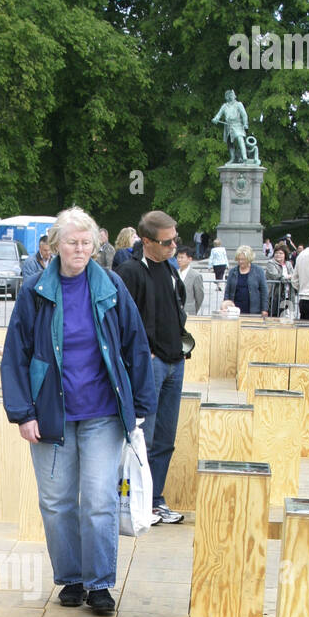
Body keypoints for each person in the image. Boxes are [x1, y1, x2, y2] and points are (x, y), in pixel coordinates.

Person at [1, 206, 155, 614]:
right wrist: (22, 412)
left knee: (99, 499)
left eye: (87, 242)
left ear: (96, 244)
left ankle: (100, 583)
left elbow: (135, 345)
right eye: (72, 242)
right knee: (56, 502)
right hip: (51, 414)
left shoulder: (111, 287)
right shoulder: (34, 291)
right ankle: (71, 577)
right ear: (54, 246)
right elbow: (15, 355)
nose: (80, 249)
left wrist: (140, 404)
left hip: (102, 413)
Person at [116, 209, 187, 525]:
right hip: (151, 365)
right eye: (167, 242)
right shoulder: (130, 272)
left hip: (175, 361)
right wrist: (143, 356)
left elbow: (176, 309)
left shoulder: (170, 269)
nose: (174, 246)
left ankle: (156, 500)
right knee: (145, 433)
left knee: (166, 437)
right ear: (147, 241)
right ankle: (141, 501)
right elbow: (122, 322)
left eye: (175, 240)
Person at [222, 245, 269, 315]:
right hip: (234, 310)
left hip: (254, 310)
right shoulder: (232, 272)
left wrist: (264, 309)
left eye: (243, 259)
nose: (240, 261)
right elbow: (227, 291)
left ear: (249, 259)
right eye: (239, 259)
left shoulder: (259, 271)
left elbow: (264, 291)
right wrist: (225, 305)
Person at [265, 243, 293, 317]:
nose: (278, 255)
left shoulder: (288, 264)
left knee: (285, 316)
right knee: (274, 315)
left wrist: (287, 277)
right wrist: (287, 277)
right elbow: (275, 276)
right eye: (276, 253)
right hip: (274, 294)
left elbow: (293, 276)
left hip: (287, 293)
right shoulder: (270, 263)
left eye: (281, 253)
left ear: (285, 254)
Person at [175, 245, 204, 313]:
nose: (179, 260)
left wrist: (193, 309)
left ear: (189, 259)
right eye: (178, 257)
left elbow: (199, 297)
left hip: (188, 311)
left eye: (182, 257)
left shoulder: (196, 276)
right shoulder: (174, 273)